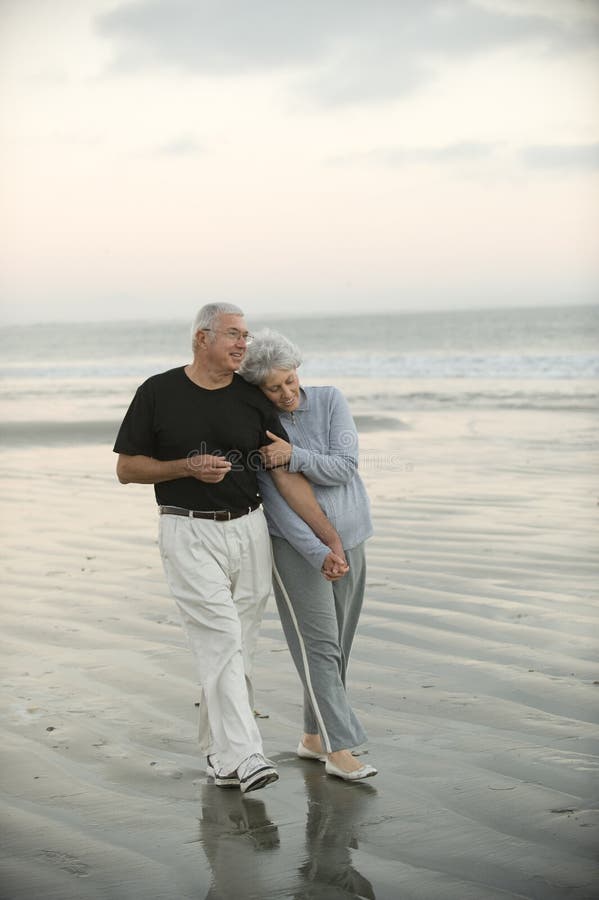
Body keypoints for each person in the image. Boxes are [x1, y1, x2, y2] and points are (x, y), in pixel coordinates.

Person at [113, 304, 347, 794]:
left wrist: (327, 536)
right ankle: (247, 754)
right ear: (203, 338)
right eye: (234, 335)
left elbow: (283, 472)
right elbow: (128, 468)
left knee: (236, 647)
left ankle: (218, 757)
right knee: (219, 637)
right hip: (188, 530)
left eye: (247, 335)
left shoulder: (249, 397)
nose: (244, 344)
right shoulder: (158, 392)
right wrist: (186, 467)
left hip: (249, 530)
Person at [239, 329, 377, 782]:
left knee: (338, 649)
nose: (286, 394)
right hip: (295, 550)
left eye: (290, 381)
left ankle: (312, 738)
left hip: (353, 538)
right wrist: (318, 550)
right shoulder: (257, 426)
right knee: (318, 647)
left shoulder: (330, 400)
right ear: (259, 388)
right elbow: (277, 501)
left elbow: (345, 466)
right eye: (274, 388)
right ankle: (340, 748)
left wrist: (294, 455)